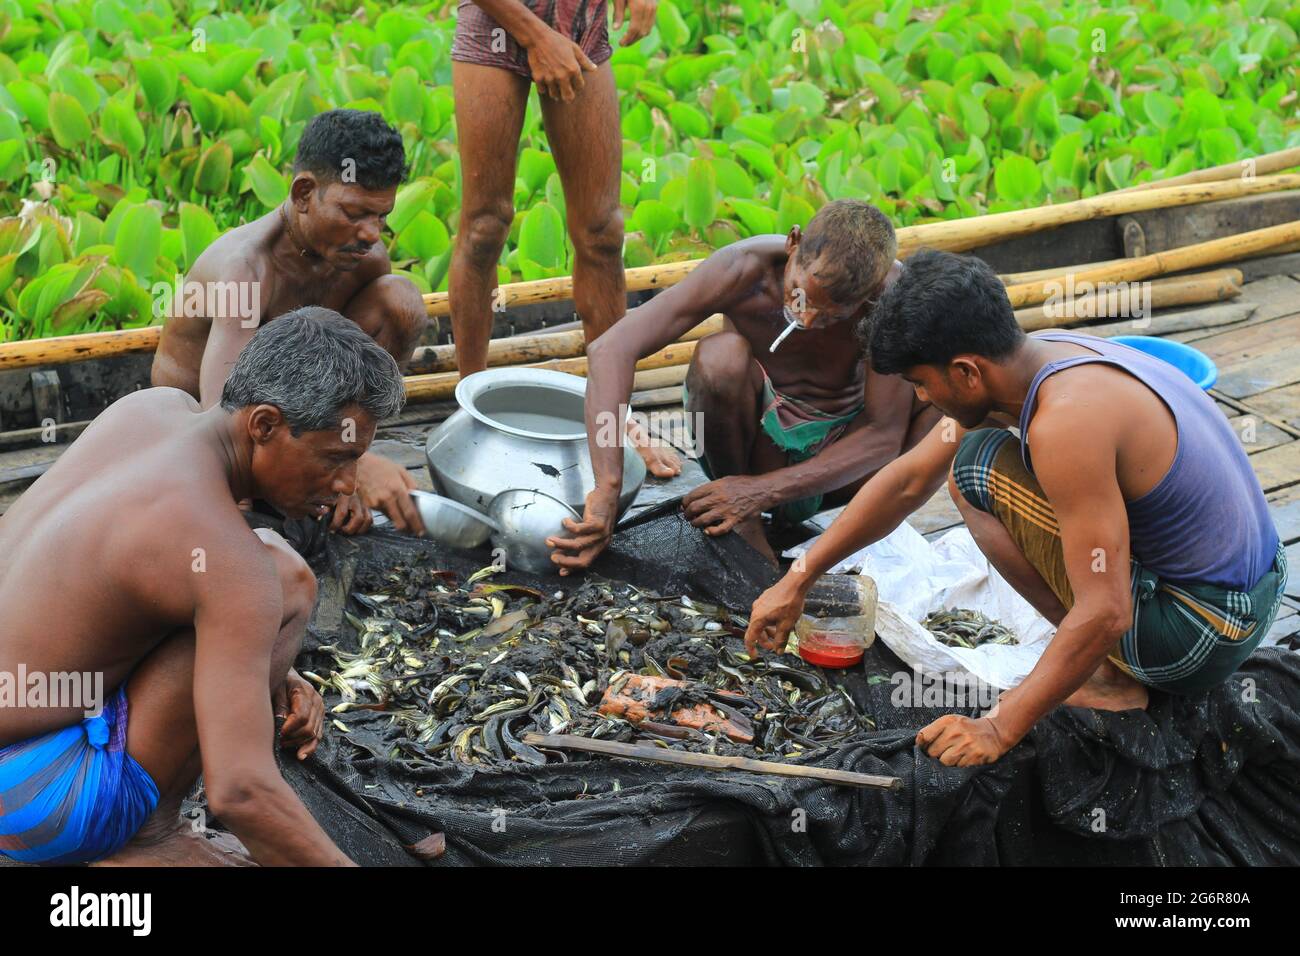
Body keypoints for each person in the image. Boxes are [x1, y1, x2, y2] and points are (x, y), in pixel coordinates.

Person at [744, 249, 1287, 767]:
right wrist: (802, 576)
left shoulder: (1065, 423)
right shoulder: (1040, 355)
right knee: (974, 456)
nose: (924, 401)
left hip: (1202, 633)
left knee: (975, 470)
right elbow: (909, 482)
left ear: (966, 372)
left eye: (920, 384)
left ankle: (1109, 679)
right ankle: (1099, 659)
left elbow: (1108, 610)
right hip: (1247, 588)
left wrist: (999, 727)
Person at [0, 310, 403, 865]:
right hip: (32, 799)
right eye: (338, 458)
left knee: (265, 572)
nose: (347, 486)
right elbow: (239, 791)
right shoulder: (227, 565)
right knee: (283, 579)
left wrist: (272, 665)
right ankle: (149, 836)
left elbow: (122, 583)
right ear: (263, 425)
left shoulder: (148, 410)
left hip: (20, 736)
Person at [548, 200, 941, 572]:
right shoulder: (742, 269)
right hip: (750, 451)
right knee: (720, 358)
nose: (806, 320)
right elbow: (611, 348)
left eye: (831, 315)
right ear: (793, 243)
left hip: (842, 467)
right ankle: (744, 520)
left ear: (869, 294)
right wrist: (607, 487)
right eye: (799, 298)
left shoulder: (889, 296)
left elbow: (882, 436)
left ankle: (860, 534)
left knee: (942, 403)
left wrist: (762, 492)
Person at [152, 109, 429, 536]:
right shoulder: (246, 268)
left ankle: (325, 458)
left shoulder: (363, 259)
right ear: (303, 194)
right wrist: (355, 464)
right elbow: (222, 412)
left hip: (295, 412)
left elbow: (358, 368)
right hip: (201, 424)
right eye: (354, 213)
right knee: (237, 503)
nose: (372, 233)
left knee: (401, 300)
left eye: (381, 217)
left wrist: (342, 463)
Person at [448, 0, 674, 476]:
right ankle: (472, 410)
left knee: (602, 231)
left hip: (582, 21)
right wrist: (535, 36)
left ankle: (615, 417)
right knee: (486, 224)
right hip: (496, 24)